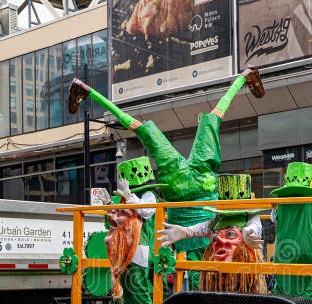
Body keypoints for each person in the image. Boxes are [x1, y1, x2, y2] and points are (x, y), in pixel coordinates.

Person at [68, 67, 264, 290]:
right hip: (198, 190)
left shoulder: (210, 221)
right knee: (212, 119)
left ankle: (87, 90)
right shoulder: (223, 222)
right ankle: (243, 77)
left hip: (181, 196)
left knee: (144, 130)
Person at [157, 174, 267, 293]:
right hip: (218, 269)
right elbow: (205, 227)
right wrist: (186, 231)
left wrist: (248, 235)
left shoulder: (249, 216)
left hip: (242, 268)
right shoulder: (218, 218)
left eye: (230, 235)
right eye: (216, 237)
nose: (220, 240)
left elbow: (255, 227)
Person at [105, 157, 164, 304]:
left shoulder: (148, 194)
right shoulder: (127, 198)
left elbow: (146, 211)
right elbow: (116, 219)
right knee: (126, 281)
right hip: (125, 247)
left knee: (137, 281)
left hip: (141, 246)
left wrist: (129, 195)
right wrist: (109, 204)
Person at [270, 162, 312, 299]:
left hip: (284, 250)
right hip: (307, 250)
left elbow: (274, 219)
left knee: (283, 286)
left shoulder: (280, 200)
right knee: (306, 289)